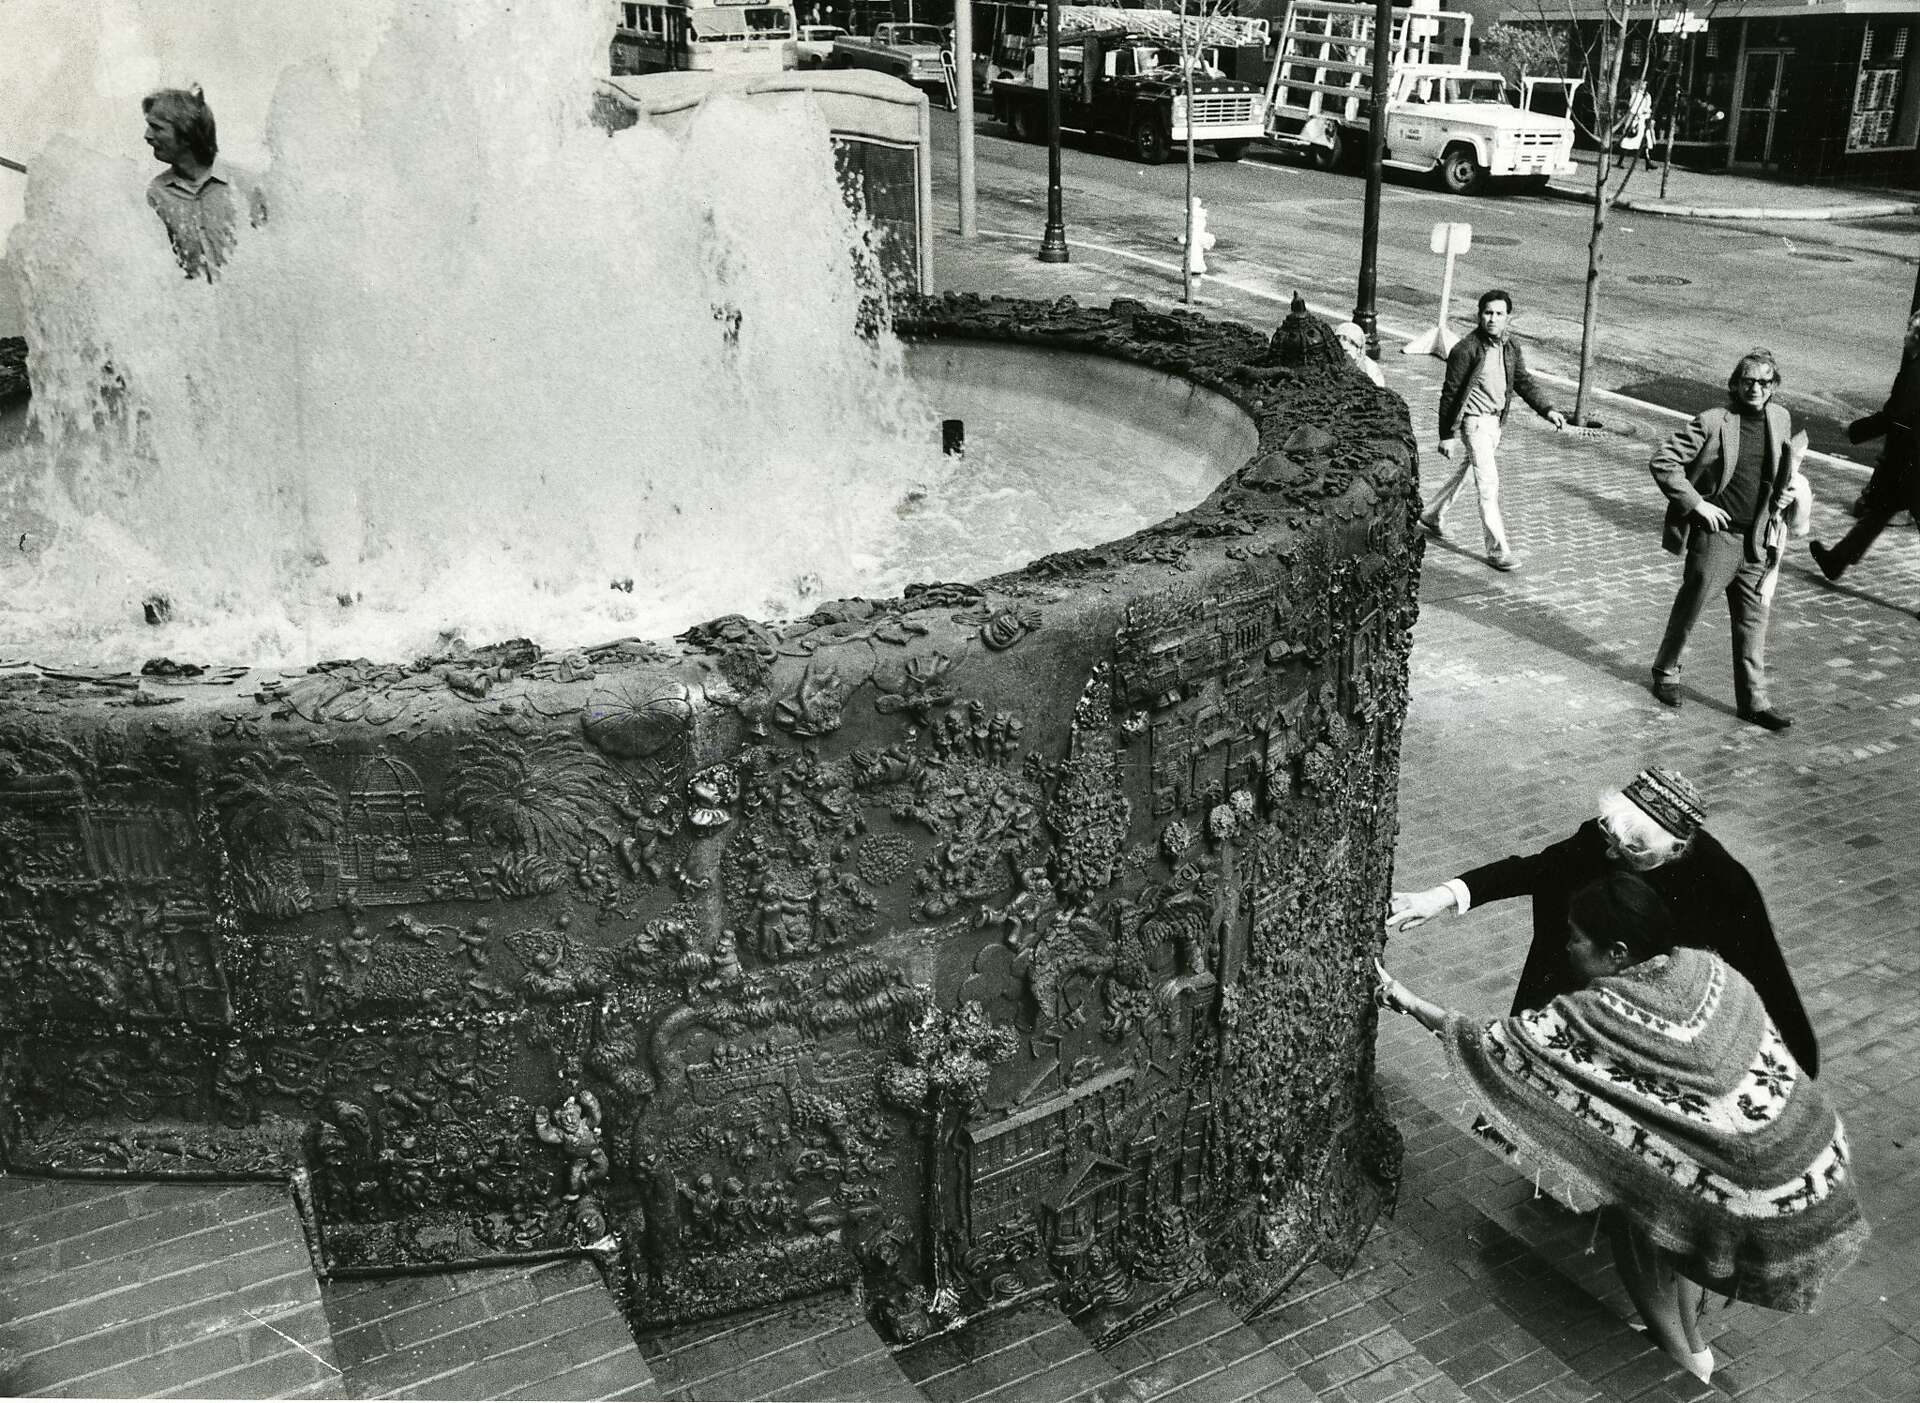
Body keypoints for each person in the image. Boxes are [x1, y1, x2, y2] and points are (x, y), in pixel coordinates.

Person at [1377, 872, 1868, 1383]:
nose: (1566, 946)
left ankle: (1681, 1362)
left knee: (1634, 1213)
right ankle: (1695, 1346)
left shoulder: (1598, 1011)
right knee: (1675, 1201)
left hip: (1751, 1189)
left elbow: (1497, 1045)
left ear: (1616, 953)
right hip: (1809, 1158)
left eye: (1575, 937)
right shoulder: (1707, 970)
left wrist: (1404, 998)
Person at [1386, 764, 1818, 1076]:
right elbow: (1535, 870)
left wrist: (1792, 1067)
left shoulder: (1724, 885)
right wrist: (1440, 897)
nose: (1611, 852)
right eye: (1611, 837)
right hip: (1576, 980)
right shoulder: (1605, 836)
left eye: (1630, 849)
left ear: (1674, 850)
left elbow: (1764, 974)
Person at [1647, 347, 1807, 731]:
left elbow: (1780, 470)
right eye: (1748, 381)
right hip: (1717, 538)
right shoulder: (1713, 422)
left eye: (1764, 382)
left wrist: (1786, 492)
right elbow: (1663, 461)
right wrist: (1697, 504)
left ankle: (1754, 702)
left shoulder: (1780, 418)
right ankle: (1666, 671)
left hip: (1758, 542)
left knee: (1754, 623)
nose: (1756, 388)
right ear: (1735, 384)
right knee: (1691, 608)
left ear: (1774, 386)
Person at [1423, 289, 1567, 572]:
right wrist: (1446, 436)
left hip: (1494, 424)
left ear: (1508, 317)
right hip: (1474, 423)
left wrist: (1548, 410)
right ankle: (1498, 551)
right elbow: (1450, 394)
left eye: (1499, 314)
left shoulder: (1510, 346)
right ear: (1479, 315)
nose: (1493, 318)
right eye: (1488, 313)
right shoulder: (1465, 349)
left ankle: (1431, 514)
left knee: (1468, 472)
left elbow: (1523, 381)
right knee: (1488, 485)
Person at [1810, 309, 1920, 603]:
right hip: (1908, 466)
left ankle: (1837, 560)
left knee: (1881, 511)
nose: (1906, 335)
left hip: (1911, 466)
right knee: (1879, 513)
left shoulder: (1915, 370)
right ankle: (1836, 561)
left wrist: (1854, 430)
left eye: (1911, 330)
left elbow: (1894, 416)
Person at [142, 86, 264, 279]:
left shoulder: (246, 186)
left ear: (187, 133)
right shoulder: (156, 194)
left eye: (157, 127)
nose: (147, 136)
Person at [1333, 321, 1386, 387]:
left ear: (1359, 350)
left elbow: (1379, 389)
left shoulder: (1370, 368)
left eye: (1345, 351)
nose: (1342, 354)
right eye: (1338, 350)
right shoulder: (1330, 366)